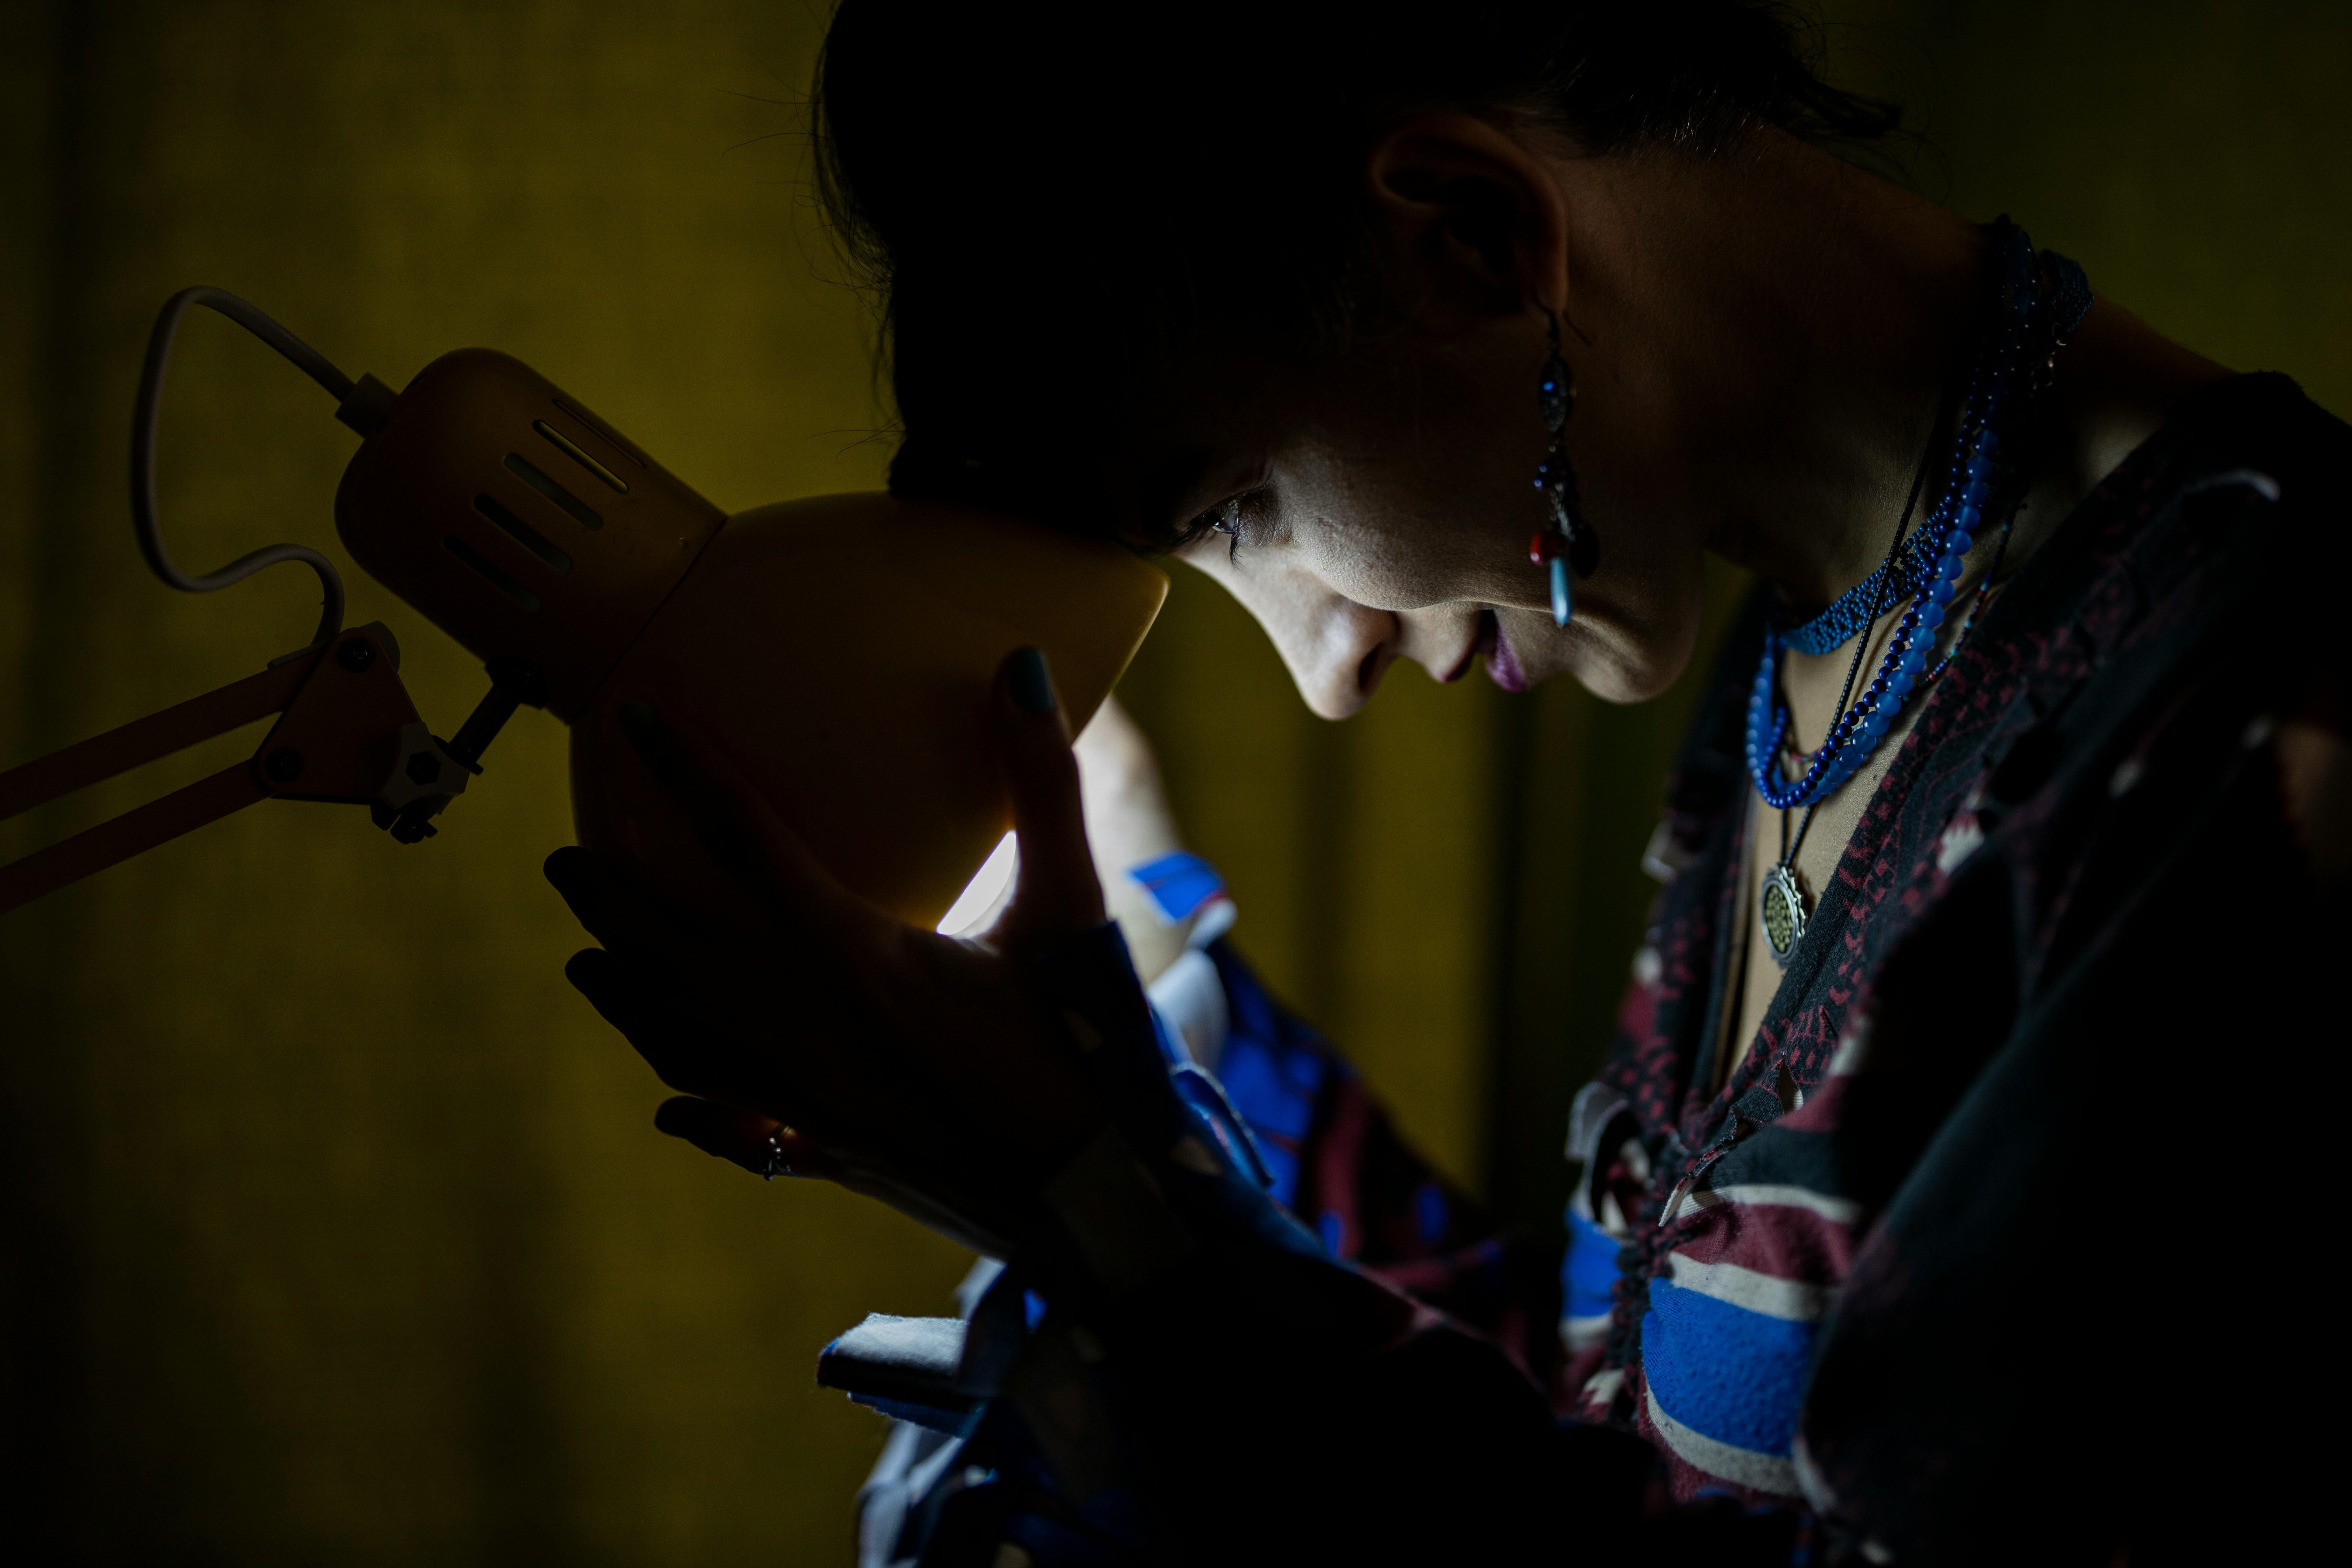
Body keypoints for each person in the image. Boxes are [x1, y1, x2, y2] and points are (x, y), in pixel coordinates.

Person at [540, 2, 2351, 1561]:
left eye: (1239, 505)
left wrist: (1104, 1205)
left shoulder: (2269, 718)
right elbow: (1611, 1435)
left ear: (1470, 237)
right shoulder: (1813, 663)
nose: (1324, 676)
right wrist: (1171, 990)